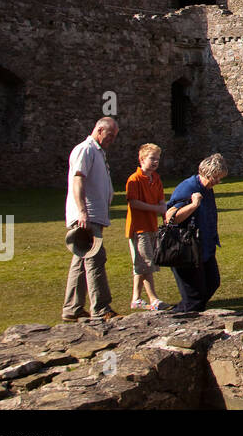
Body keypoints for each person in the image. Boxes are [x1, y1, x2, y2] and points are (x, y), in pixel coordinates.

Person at [63, 116, 119, 321]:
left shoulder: (97, 152)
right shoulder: (86, 150)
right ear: (99, 130)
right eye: (110, 135)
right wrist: (83, 213)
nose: (111, 140)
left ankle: (72, 308)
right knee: (95, 259)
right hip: (87, 216)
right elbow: (78, 179)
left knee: (80, 261)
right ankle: (101, 308)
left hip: (93, 215)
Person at [164, 153, 228, 313]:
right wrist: (193, 205)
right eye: (216, 178)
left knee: (212, 282)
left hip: (204, 247)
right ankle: (180, 321)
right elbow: (170, 218)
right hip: (186, 249)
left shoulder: (207, 188)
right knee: (194, 298)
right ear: (208, 173)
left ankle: (189, 311)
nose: (218, 182)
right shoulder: (188, 188)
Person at [125, 142, 168, 310]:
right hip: (138, 228)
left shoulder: (156, 179)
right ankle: (153, 299)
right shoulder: (134, 180)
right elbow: (133, 202)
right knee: (147, 263)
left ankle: (136, 298)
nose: (155, 162)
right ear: (142, 159)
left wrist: (164, 214)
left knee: (141, 264)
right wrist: (156, 209)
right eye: (152, 158)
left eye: (157, 159)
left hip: (152, 226)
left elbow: (161, 201)